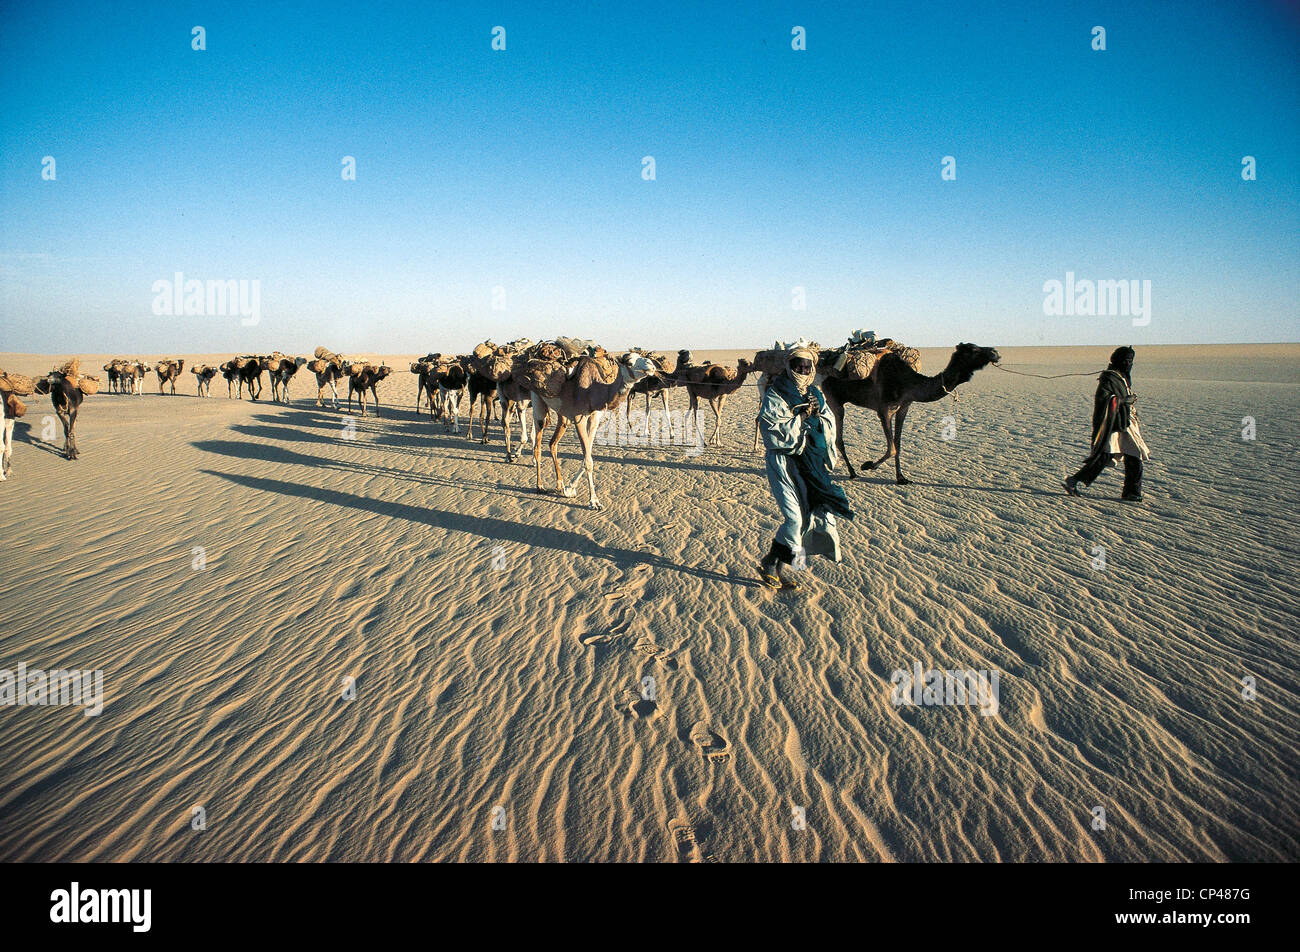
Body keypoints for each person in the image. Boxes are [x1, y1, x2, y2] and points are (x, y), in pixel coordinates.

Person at [757, 348, 855, 589]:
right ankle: (770, 561)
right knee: (793, 519)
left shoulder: (815, 393)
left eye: (807, 366)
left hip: (810, 463)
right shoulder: (776, 394)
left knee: (808, 519)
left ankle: (778, 570)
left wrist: (815, 415)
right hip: (783, 462)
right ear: (790, 366)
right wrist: (801, 417)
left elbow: (828, 423)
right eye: (798, 365)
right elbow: (770, 427)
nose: (803, 369)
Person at [1064, 346, 1151, 502]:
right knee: (1108, 454)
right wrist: (1124, 401)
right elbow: (1104, 399)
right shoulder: (1109, 378)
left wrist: (1128, 400)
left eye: (1130, 360)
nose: (1128, 363)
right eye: (1125, 360)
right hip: (1112, 422)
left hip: (1126, 422)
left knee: (1133, 454)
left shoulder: (1121, 377)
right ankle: (1075, 480)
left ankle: (1132, 492)